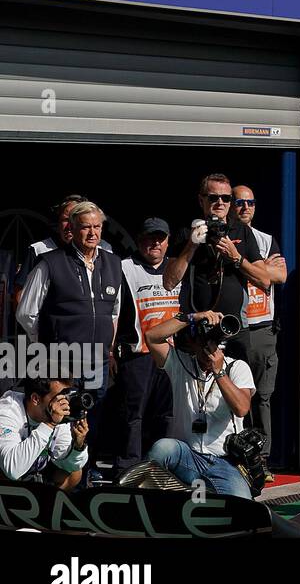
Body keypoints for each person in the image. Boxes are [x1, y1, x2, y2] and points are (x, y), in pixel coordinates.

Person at [144, 309, 256, 498]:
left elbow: (242, 408)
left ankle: (201, 493)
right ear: (192, 344)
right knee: (163, 448)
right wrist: (191, 317)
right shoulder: (181, 363)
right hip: (187, 455)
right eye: (202, 343)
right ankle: (154, 501)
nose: (207, 350)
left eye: (212, 345)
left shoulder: (236, 367)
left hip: (223, 461)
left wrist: (219, 372)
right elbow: (152, 337)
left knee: (243, 504)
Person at [16, 201, 122, 397]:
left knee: (92, 419)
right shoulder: (50, 262)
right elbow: (26, 313)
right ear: (72, 229)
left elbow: (114, 312)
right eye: (85, 227)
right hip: (61, 360)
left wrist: (109, 349)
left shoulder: (114, 264)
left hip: (98, 361)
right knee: (61, 417)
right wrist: (46, 340)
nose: (92, 233)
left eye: (97, 226)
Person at [225, 185, 288, 474]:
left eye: (251, 202)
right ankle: (236, 457)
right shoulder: (222, 236)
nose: (245, 207)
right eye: (239, 202)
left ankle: (261, 459)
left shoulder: (265, 239)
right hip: (234, 329)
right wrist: (260, 271)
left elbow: (277, 276)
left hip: (262, 328)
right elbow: (264, 275)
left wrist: (241, 264)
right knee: (234, 394)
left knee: (262, 396)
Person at [114, 218, 181, 472]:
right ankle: (127, 469)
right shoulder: (124, 267)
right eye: (149, 237)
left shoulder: (177, 267)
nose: (155, 243)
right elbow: (114, 313)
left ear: (168, 241)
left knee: (167, 416)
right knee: (133, 416)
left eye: (160, 238)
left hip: (172, 356)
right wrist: (112, 350)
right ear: (139, 240)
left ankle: (162, 467)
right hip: (138, 354)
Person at [163, 174, 274, 320]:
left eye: (226, 198)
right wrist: (191, 246)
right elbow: (169, 283)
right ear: (201, 200)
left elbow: (264, 281)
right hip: (196, 324)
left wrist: (236, 257)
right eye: (213, 198)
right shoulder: (186, 232)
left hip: (234, 324)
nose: (220, 203)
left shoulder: (241, 230)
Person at [13, 194, 113, 309]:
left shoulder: (104, 250)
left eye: (75, 220)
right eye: (66, 220)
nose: (70, 226)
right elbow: (20, 295)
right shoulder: (39, 250)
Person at [0, 377, 89, 488]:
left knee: (74, 473)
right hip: (11, 471)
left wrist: (77, 446)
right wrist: (49, 424)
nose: (65, 403)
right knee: (5, 473)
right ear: (36, 399)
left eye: (66, 397)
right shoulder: (8, 411)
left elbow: (71, 466)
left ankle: (50, 504)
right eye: (59, 398)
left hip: (36, 469)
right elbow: (12, 469)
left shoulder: (58, 413)